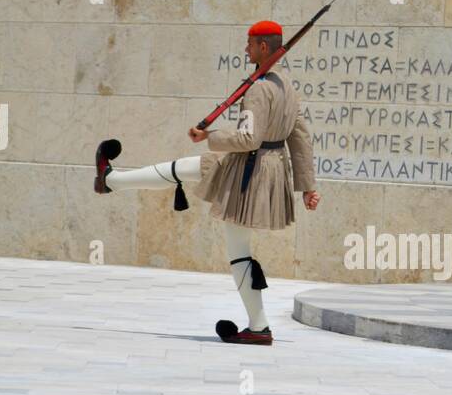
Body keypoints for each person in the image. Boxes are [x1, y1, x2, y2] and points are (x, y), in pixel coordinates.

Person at [94, 20, 320, 345]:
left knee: (239, 252)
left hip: (250, 173)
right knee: (189, 168)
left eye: (249, 44)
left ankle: (258, 327)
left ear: (264, 48)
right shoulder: (287, 85)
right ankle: (112, 181)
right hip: (263, 168)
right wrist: (308, 186)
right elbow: (300, 139)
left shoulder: (258, 88)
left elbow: (247, 138)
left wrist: (208, 136)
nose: (245, 49)